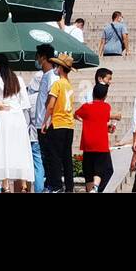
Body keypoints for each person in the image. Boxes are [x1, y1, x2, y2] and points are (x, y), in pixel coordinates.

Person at [0, 54, 34, 193]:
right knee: (19, 148)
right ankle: (24, 185)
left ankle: (5, 185)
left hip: (4, 116)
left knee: (3, 148)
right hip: (18, 117)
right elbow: (25, 102)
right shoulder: (18, 79)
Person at [41, 52, 77, 193]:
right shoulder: (69, 85)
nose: (55, 68)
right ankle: (69, 187)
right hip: (69, 125)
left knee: (54, 157)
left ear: (61, 68)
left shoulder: (58, 84)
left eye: (57, 66)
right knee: (67, 157)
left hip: (58, 123)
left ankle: (56, 186)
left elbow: (50, 105)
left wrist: (45, 122)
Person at [75, 82, 119, 193]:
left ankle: (91, 190)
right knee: (104, 169)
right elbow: (104, 118)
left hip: (87, 143)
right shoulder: (106, 107)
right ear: (105, 96)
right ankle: (96, 188)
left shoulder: (86, 106)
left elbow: (76, 114)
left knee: (89, 170)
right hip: (101, 143)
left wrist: (84, 120)